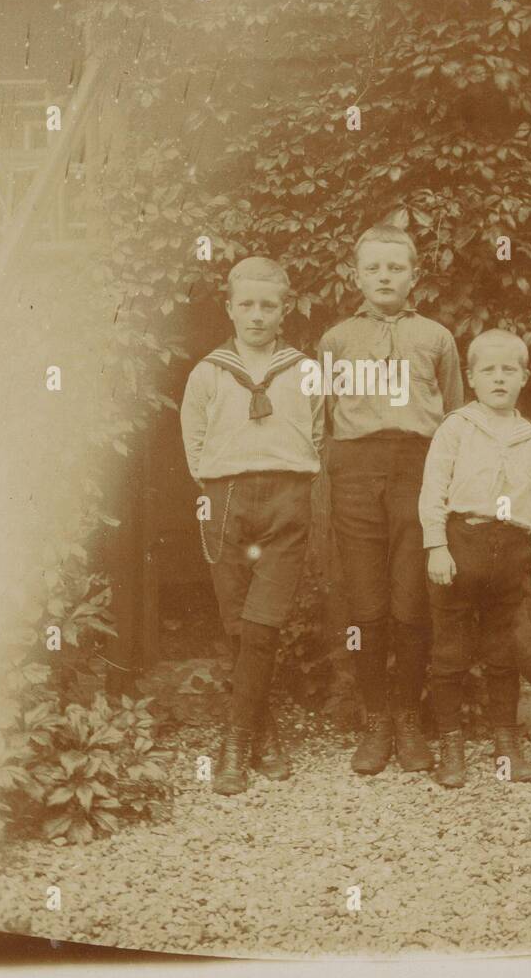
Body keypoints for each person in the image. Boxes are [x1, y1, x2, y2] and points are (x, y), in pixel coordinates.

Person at [318, 225, 464, 775]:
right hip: (355, 470)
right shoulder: (335, 341)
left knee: (412, 598)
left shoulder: (437, 337)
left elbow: (452, 414)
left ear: (414, 275)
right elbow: (323, 415)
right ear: (356, 276)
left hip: (417, 470)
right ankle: (375, 717)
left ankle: (408, 715)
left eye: (395, 268)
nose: (384, 277)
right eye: (373, 268)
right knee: (366, 602)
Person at [180, 257, 323, 795]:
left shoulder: (304, 370)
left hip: (287, 497)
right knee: (237, 619)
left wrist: (291, 481)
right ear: (230, 309)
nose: (257, 315)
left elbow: (319, 433)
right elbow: (194, 441)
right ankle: (263, 729)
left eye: (268, 305)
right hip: (227, 499)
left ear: (286, 309)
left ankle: (236, 742)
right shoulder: (209, 372)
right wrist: (218, 486)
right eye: (247, 305)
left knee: (265, 621)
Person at [419, 328, 531, 788]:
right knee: (450, 652)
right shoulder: (457, 428)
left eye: (509, 370)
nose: (499, 378)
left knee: (504, 652)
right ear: (471, 378)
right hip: (462, 546)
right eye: (488, 370)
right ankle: (452, 746)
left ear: (524, 378)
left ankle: (505, 745)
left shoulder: (530, 438)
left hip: (512, 552)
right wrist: (437, 545)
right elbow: (433, 491)